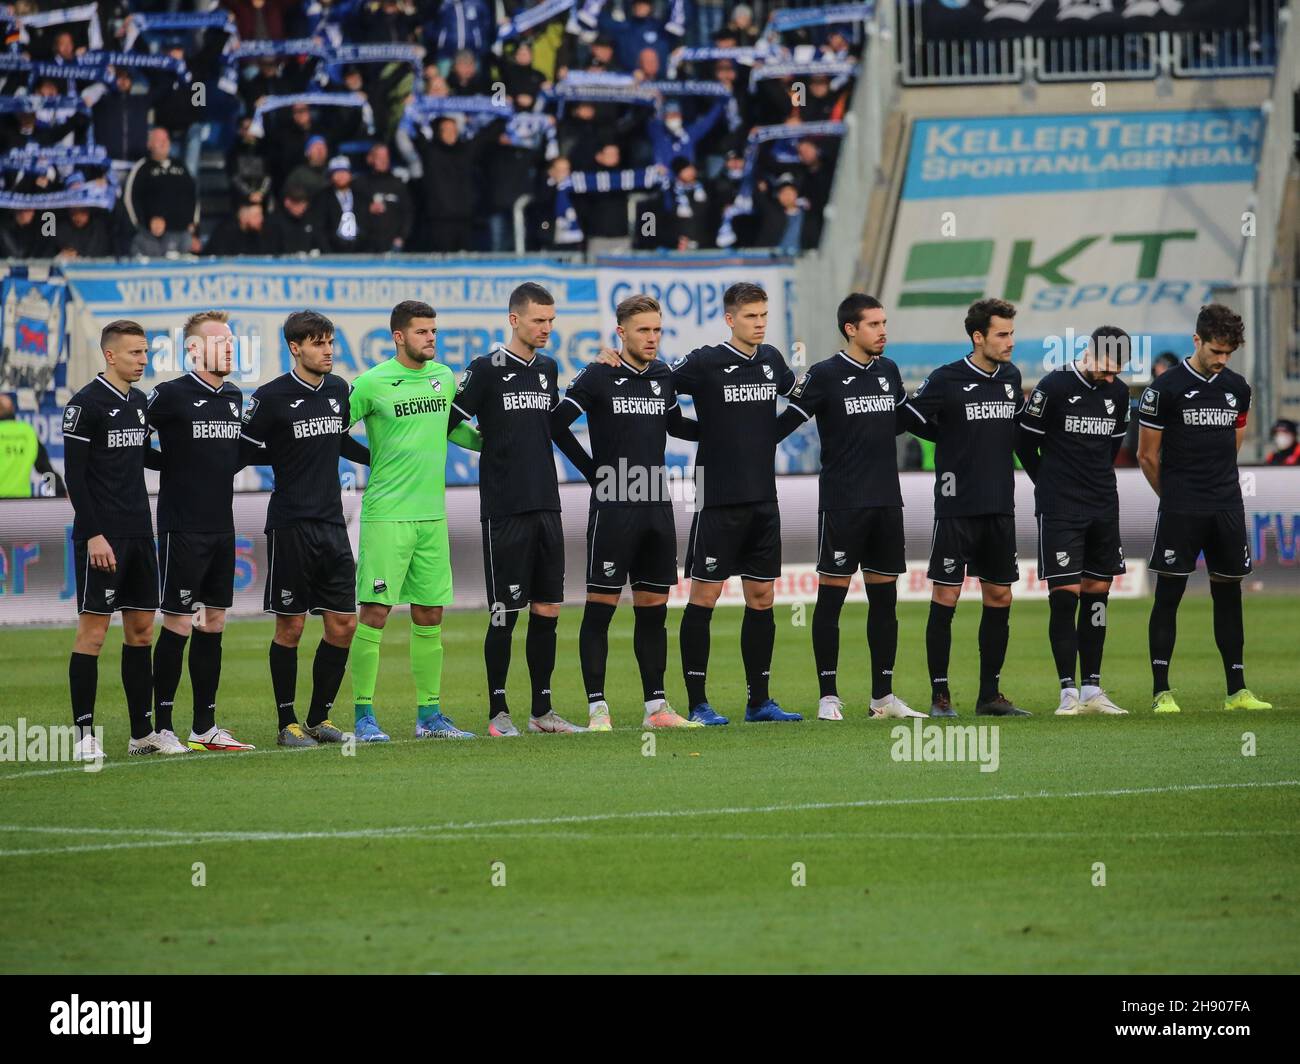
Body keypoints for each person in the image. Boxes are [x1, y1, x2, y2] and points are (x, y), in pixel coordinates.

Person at [549, 294, 702, 731]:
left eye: (657, 330)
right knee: (601, 608)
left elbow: (677, 426)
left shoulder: (663, 377)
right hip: (614, 506)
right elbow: (556, 423)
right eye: (643, 330)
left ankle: (657, 709)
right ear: (621, 333)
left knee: (654, 610)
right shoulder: (600, 375)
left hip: (657, 504)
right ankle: (598, 709)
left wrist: (725, 428)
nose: (652, 338)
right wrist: (593, 472)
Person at [775, 295, 925, 721]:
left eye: (884, 323)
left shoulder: (889, 372)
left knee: (885, 602)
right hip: (843, 504)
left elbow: (902, 421)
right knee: (832, 600)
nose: (883, 331)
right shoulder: (824, 375)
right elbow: (785, 424)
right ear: (850, 329)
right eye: (874, 324)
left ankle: (883, 697)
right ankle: (828, 696)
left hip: (886, 502)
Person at [448, 283, 586, 735]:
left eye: (551, 320)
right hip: (505, 509)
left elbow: (551, 430)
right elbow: (450, 419)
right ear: (514, 320)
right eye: (538, 320)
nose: (546, 329)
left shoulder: (547, 368)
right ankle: (497, 713)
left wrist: (593, 470)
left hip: (547, 503)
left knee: (548, 610)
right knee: (504, 613)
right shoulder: (485, 370)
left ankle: (542, 712)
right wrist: (480, 442)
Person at [345, 300, 483, 742]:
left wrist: (495, 441)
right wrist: (372, 458)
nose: (431, 339)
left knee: (429, 613)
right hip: (387, 515)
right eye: (422, 332)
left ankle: (429, 716)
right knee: (375, 612)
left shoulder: (444, 378)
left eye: (434, 331)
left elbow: (452, 429)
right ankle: (363, 716)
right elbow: (332, 430)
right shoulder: (370, 383)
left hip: (431, 516)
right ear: (399, 336)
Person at [664, 282, 802, 725]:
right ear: (730, 319)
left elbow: (797, 401)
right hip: (718, 500)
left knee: (762, 598)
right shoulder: (705, 362)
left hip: (764, 499)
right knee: (704, 596)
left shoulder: (772, 362)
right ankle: (698, 704)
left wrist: (767, 437)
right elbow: (658, 382)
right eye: (750, 316)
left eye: (763, 315)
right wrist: (700, 433)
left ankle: (759, 701)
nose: (759, 323)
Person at [239, 311, 371, 745]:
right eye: (318, 343)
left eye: (330, 342)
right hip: (291, 525)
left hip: (332, 523)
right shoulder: (270, 397)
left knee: (343, 625)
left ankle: (320, 718)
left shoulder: (338, 390)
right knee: (291, 627)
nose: (328, 350)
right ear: (295, 348)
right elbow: (242, 450)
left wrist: (382, 458)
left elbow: (340, 440)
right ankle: (286, 723)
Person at [1137, 304, 1273, 713]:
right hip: (1182, 507)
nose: (1221, 360)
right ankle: (1162, 691)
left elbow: (1235, 441)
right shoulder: (1164, 389)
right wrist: (1177, 495)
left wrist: (1216, 485)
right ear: (1196, 341)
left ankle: (1237, 691)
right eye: (1216, 350)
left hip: (1226, 505)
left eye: (1228, 353)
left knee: (1229, 595)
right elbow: (1147, 456)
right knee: (1169, 595)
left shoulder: (1237, 387)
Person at [903, 298, 1034, 717]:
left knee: (999, 595)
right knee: (947, 594)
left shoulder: (1011, 377)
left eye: (1012, 333)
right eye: (1002, 334)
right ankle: (940, 696)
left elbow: (1018, 434)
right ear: (978, 337)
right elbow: (909, 416)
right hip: (957, 506)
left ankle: (989, 695)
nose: (1010, 341)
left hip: (1000, 505)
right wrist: (945, 435)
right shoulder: (946, 378)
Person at [145, 311, 253, 751]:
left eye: (231, 341)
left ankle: (204, 727)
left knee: (212, 623)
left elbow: (231, 454)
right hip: (181, 528)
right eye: (219, 341)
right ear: (193, 349)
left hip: (220, 529)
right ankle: (162, 728)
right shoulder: (168, 395)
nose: (229, 347)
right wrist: (167, 464)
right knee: (178, 625)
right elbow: (132, 438)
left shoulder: (233, 395)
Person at [1018, 327, 1132, 716]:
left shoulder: (1117, 394)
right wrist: (1047, 482)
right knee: (1065, 597)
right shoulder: (1053, 386)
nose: (1111, 377)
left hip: (1102, 505)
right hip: (1061, 508)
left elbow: (1112, 447)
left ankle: (1092, 688)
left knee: (1097, 596)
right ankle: (1067, 689)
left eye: (1118, 370)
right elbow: (1023, 442)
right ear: (1088, 353)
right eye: (1107, 368)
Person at [62, 321, 161, 760]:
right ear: (110, 355)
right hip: (102, 537)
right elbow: (75, 477)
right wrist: (94, 533)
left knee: (141, 632)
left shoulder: (139, 402)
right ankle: (84, 733)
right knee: (94, 634)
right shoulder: (85, 405)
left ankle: (142, 735)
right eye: (135, 353)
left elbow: (144, 457)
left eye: (145, 353)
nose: (142, 361)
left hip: (140, 531)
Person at [123, 127, 198, 236]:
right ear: (149, 144)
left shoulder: (181, 166)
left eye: (166, 139)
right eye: (159, 139)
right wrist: (142, 225)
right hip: (152, 235)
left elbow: (193, 195)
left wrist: (194, 226)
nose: (164, 142)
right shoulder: (143, 167)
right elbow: (130, 199)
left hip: (182, 233)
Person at [0, 393, 64, 497]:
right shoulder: (27, 432)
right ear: (12, 409)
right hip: (21, 503)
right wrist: (59, 493)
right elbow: (46, 470)